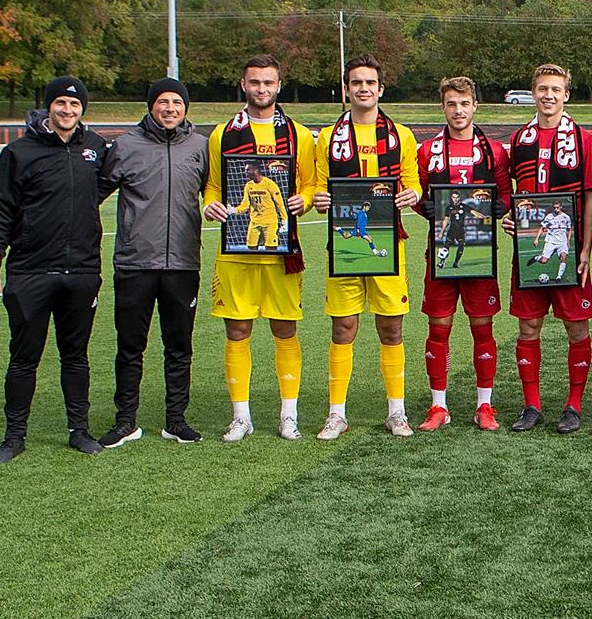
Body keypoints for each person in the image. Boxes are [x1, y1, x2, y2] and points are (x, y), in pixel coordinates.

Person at [0, 77, 111, 463]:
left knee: (76, 355)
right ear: (48, 107)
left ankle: (79, 430)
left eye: (74, 105)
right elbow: (1, 213)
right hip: (30, 271)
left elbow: (101, 191)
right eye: (60, 104)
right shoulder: (19, 152)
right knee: (24, 357)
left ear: (82, 109)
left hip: (82, 270)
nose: (67, 111)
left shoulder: (96, 148)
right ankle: (14, 437)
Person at [203, 55, 319, 442]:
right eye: (255, 82)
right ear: (243, 84)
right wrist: (209, 205)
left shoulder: (299, 135)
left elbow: (310, 184)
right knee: (237, 330)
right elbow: (216, 187)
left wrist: (304, 198)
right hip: (236, 249)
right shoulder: (222, 134)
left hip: (283, 249)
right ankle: (241, 416)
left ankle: (289, 414)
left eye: (268, 82)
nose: (261, 89)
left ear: (279, 85)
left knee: (285, 329)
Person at [313, 54, 423, 439]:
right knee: (343, 327)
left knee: (391, 328)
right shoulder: (328, 137)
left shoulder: (401, 135)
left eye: (369, 83)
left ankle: (397, 411)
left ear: (380, 89)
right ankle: (336, 413)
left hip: (390, 244)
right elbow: (316, 184)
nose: (363, 88)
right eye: (356, 82)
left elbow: (413, 182)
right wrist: (319, 198)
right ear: (347, 89)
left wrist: (409, 195)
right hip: (341, 251)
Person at [95, 77, 209, 447]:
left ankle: (176, 419)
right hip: (135, 263)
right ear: (151, 106)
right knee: (130, 346)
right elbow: (91, 195)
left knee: (179, 346)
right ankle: (125, 420)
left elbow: (219, 194)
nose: (170, 109)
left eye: (177, 102)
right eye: (163, 102)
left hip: (183, 264)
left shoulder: (200, 147)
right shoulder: (126, 146)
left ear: (185, 107)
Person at [502, 63, 592, 433]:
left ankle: (573, 405)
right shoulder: (519, 139)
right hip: (529, 246)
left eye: (555, 90)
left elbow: (590, 197)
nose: (548, 95)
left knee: (577, 327)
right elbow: (509, 190)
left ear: (566, 95)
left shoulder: (583, 139)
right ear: (534, 93)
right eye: (542, 88)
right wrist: (509, 215)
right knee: (529, 326)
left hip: (572, 248)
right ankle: (532, 405)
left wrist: (587, 249)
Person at [415, 76, 510, 432]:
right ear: (443, 106)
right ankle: (438, 406)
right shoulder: (428, 151)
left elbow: (502, 196)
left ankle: (484, 405)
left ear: (475, 106)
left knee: (482, 327)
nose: (458, 110)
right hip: (438, 252)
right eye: (451, 103)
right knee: (438, 327)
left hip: (481, 253)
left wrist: (495, 208)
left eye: (464, 103)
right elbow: (419, 197)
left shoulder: (494, 151)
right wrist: (428, 209)